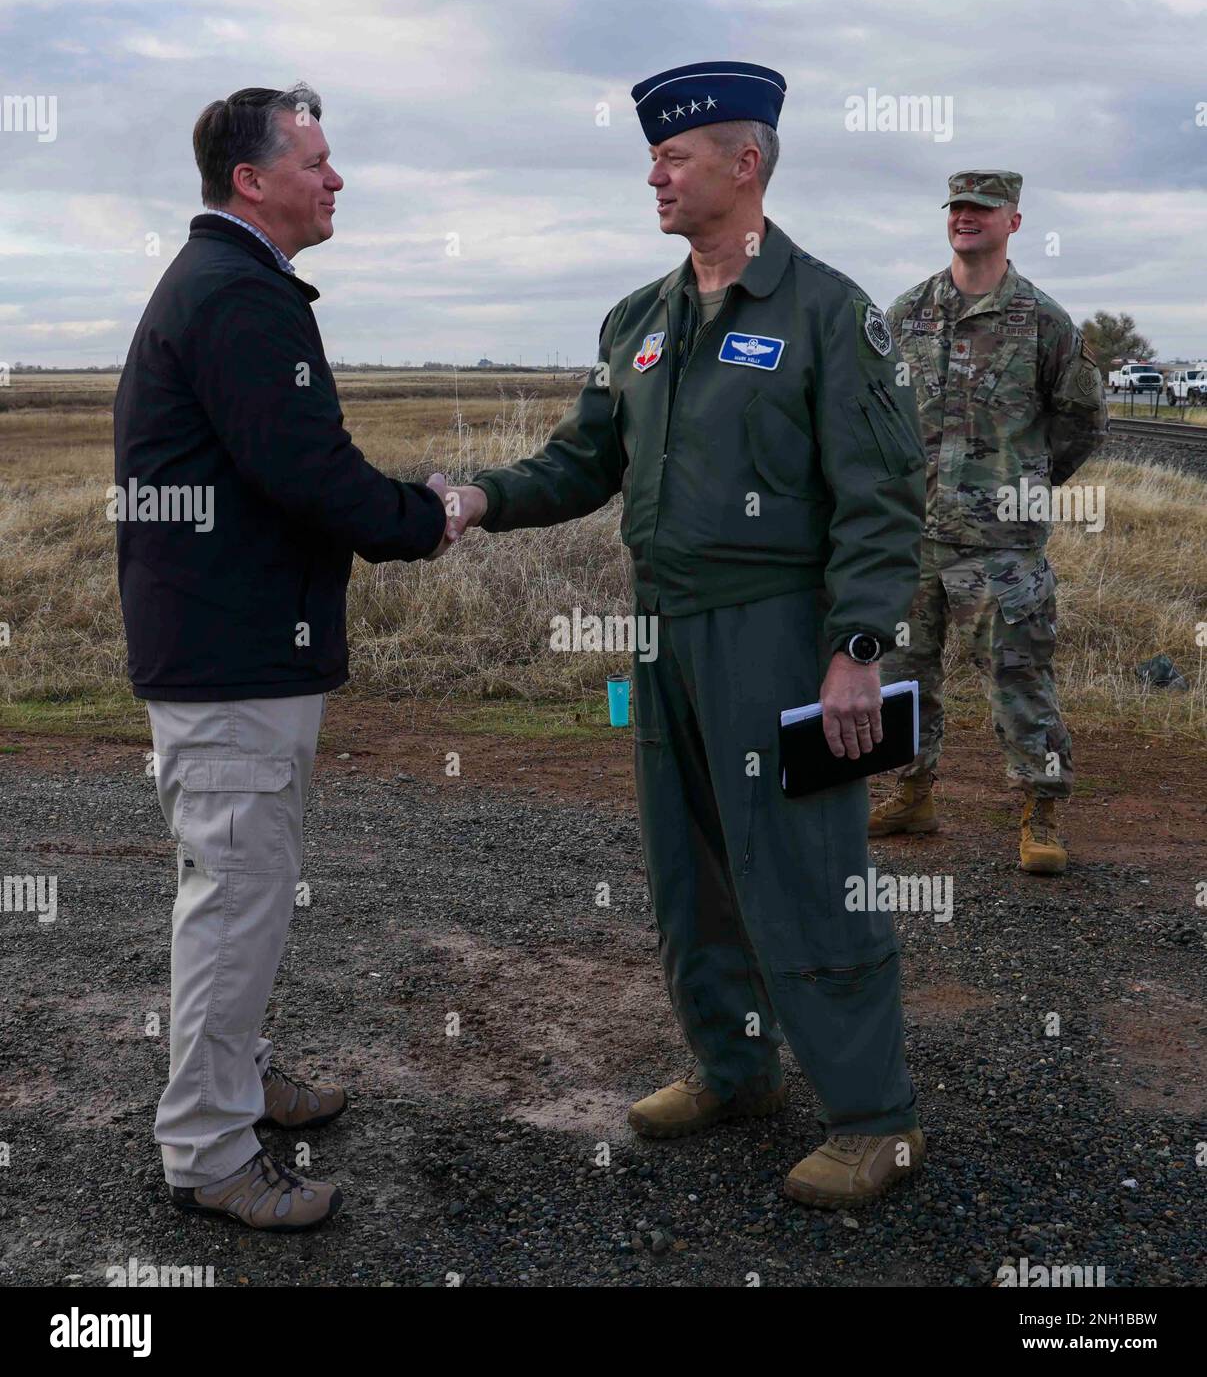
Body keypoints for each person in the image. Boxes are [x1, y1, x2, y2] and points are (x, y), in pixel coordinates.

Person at [439, 61, 930, 1208]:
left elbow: (879, 499)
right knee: (690, 867)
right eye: (652, 158)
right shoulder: (639, 321)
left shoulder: (824, 312)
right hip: (663, 628)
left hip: (777, 632)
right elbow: (581, 462)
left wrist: (857, 652)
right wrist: (477, 499)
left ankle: (877, 1115)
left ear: (744, 164)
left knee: (807, 869)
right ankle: (735, 1063)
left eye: (675, 156)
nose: (654, 175)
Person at [114, 83, 448, 1231]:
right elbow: (307, 469)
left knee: (245, 888)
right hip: (230, 657)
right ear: (252, 180)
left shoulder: (232, 285)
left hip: (240, 645)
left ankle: (239, 1080)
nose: (336, 177)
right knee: (235, 896)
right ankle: (207, 1149)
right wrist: (425, 518)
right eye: (316, 158)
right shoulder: (236, 296)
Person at [875, 171, 1108, 874]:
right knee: (898, 673)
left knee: (1017, 676)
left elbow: (1081, 423)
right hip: (910, 535)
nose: (965, 219)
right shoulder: (905, 314)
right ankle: (910, 792)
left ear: (1013, 220)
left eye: (981, 210)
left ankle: (1039, 812)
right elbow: (872, 413)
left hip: (1002, 549)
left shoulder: (1042, 321)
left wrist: (1022, 486)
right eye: (957, 209)